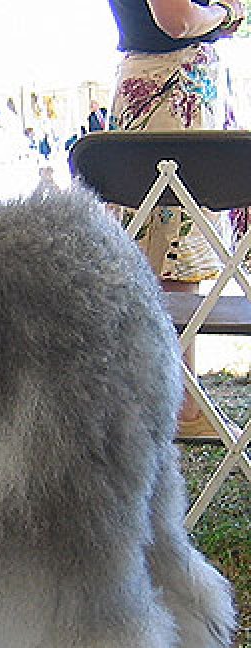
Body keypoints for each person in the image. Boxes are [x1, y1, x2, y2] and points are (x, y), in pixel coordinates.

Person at [107, 0, 246, 441]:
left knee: (152, 251)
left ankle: (155, 399)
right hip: (168, 89)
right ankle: (177, 404)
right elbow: (178, 20)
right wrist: (227, 12)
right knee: (172, 254)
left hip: (154, 84)